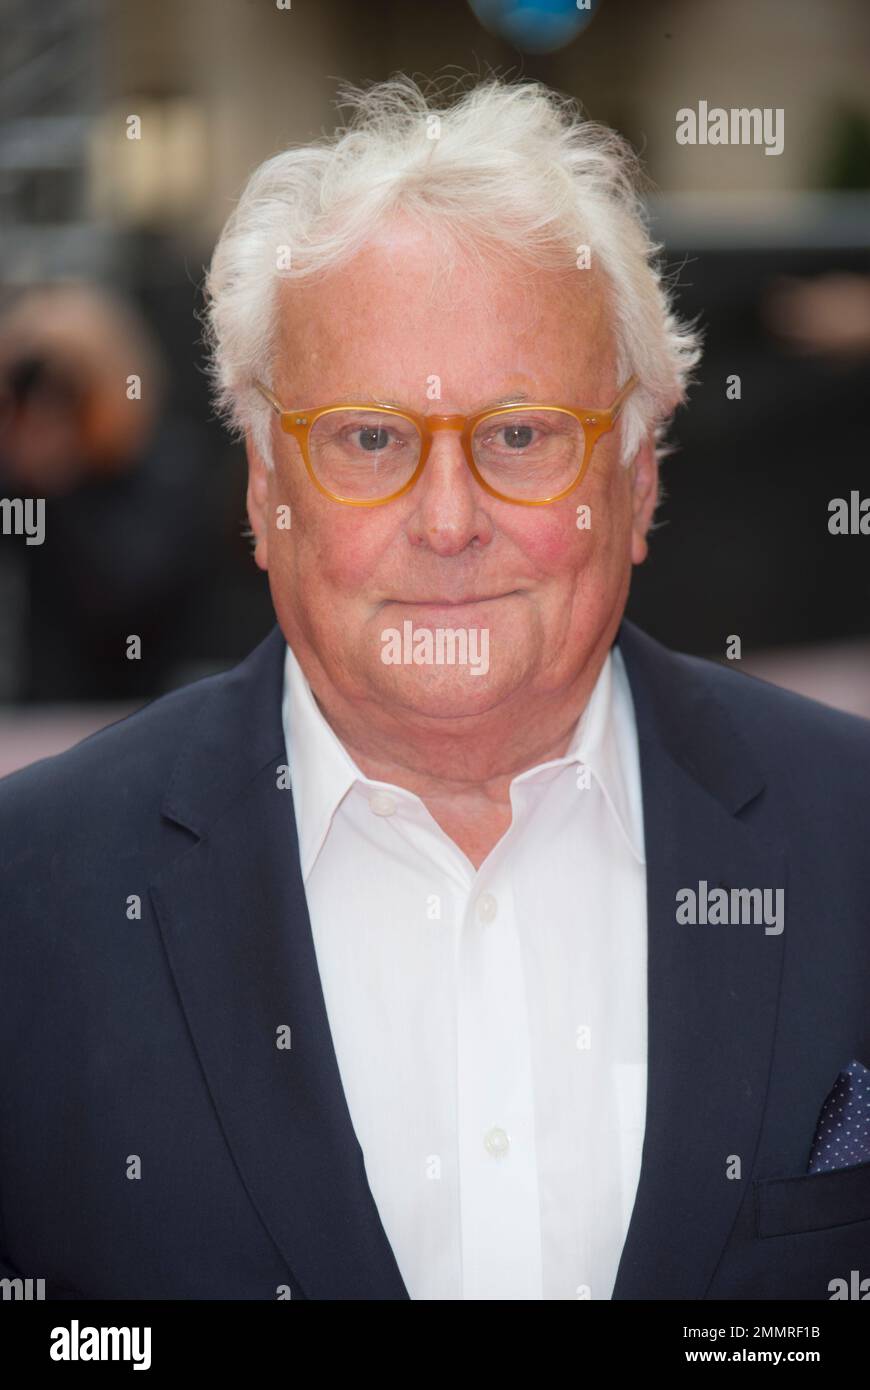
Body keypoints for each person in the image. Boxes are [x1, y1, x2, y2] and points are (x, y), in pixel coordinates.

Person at [1, 75, 869, 1302]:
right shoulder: (30, 898)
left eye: (520, 435)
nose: (449, 522)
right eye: (368, 439)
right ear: (261, 488)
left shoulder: (854, 837)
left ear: (639, 479)